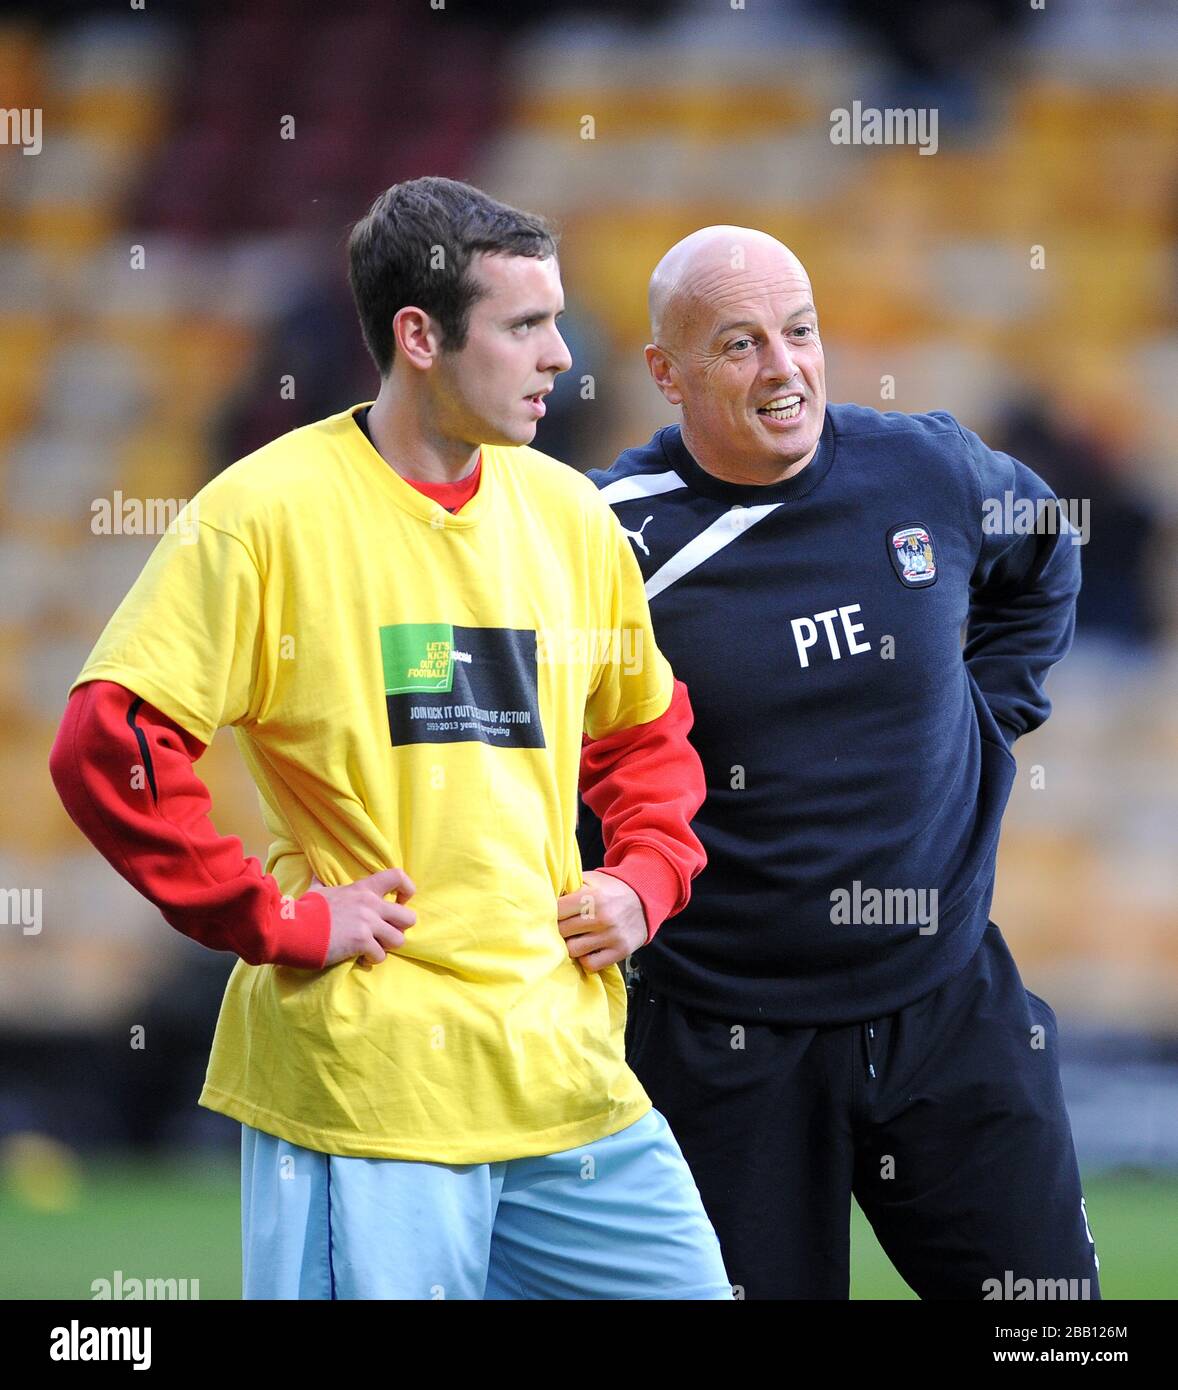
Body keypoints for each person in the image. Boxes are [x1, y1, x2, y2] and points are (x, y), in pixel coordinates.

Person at [49, 178, 732, 1301]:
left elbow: (645, 732)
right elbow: (106, 743)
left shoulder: (570, 515)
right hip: (370, 1089)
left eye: (555, 320)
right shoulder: (261, 514)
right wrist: (272, 916)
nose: (561, 355)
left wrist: (646, 876)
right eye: (524, 325)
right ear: (418, 335)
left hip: (564, 1074)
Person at [578, 225, 1101, 1301]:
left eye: (799, 332)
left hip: (949, 1005)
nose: (783, 368)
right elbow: (550, 743)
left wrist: (989, 713)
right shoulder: (599, 541)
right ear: (664, 374)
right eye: (738, 344)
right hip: (721, 1041)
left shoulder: (927, 468)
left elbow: (1044, 550)